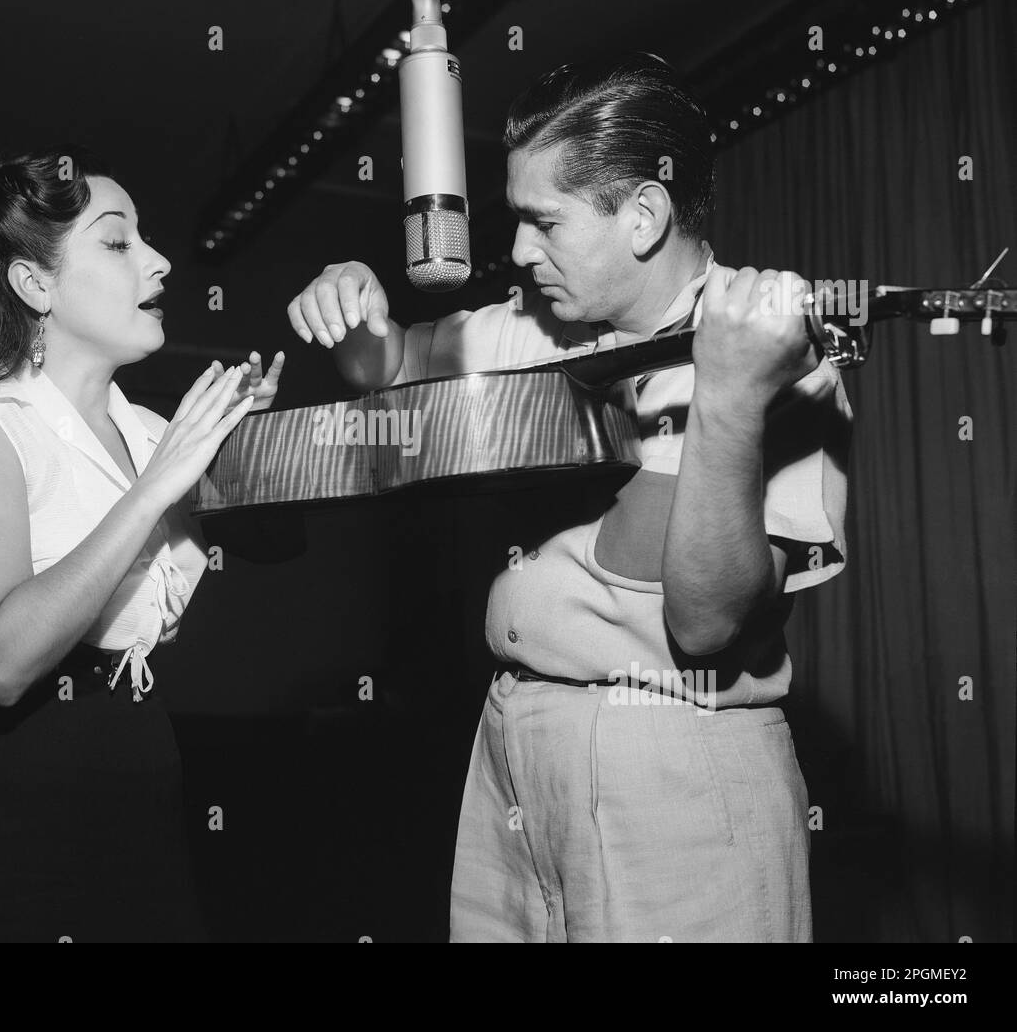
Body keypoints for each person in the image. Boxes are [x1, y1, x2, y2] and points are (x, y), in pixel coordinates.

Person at [286, 56, 852, 942]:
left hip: (671, 757)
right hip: (513, 738)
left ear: (642, 216)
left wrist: (729, 399)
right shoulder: (537, 326)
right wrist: (353, 307)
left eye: (542, 221)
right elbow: (390, 371)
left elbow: (705, 625)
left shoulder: (783, 362)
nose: (516, 251)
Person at [0, 146, 282, 941]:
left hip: (139, 765)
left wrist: (278, 428)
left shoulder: (151, 430)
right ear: (35, 283)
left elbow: (278, 538)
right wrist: (155, 485)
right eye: (118, 242)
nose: (157, 261)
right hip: (4, 786)